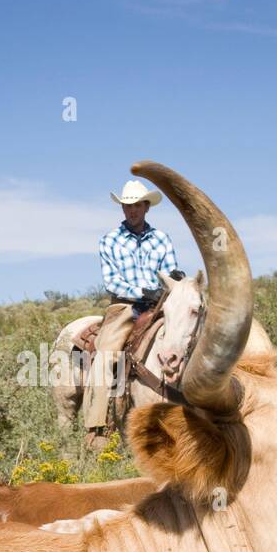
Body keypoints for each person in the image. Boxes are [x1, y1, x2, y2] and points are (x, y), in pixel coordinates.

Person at [81, 178, 179, 449]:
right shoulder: (109, 241)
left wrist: (171, 284)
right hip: (125, 306)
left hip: (160, 303)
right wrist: (143, 292)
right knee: (105, 355)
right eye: (127, 206)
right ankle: (97, 428)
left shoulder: (161, 240)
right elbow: (112, 282)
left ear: (147, 206)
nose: (132, 211)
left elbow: (170, 271)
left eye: (136, 205)